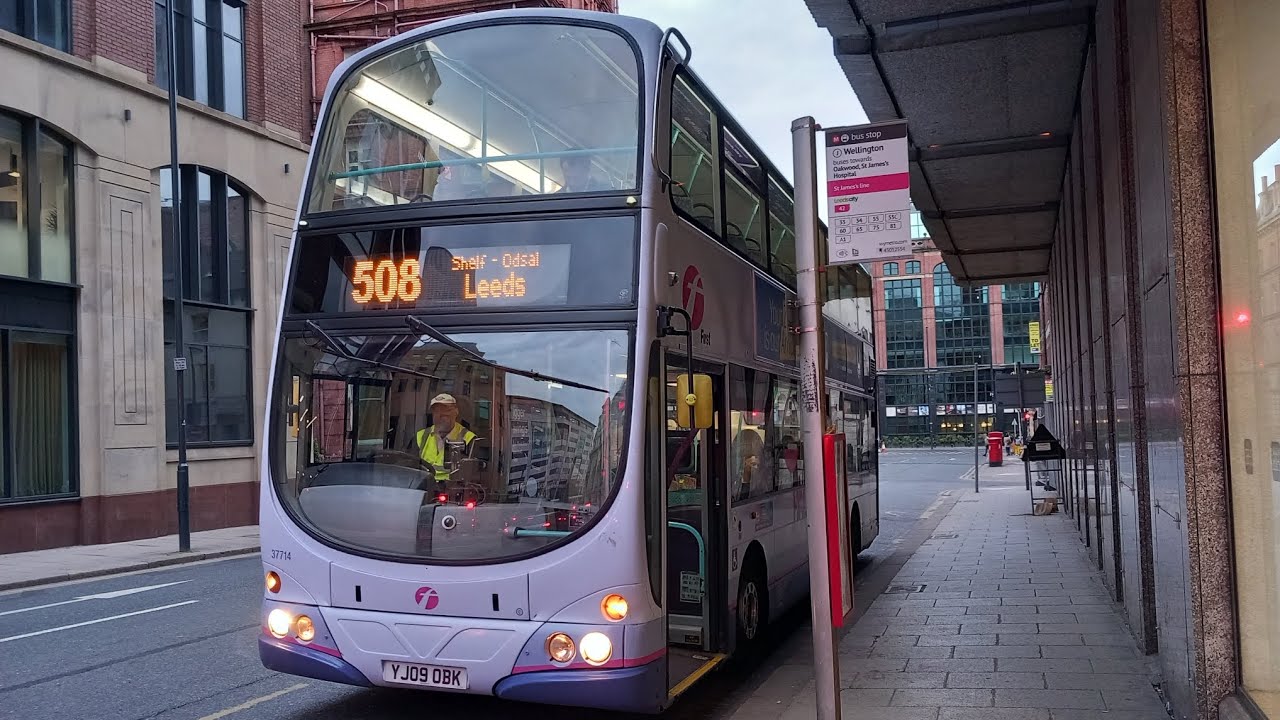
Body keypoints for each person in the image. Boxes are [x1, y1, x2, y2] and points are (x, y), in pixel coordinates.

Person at [415, 393, 476, 481]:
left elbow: (472, 475)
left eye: (446, 410)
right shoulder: (420, 436)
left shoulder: (469, 439)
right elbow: (409, 465)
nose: (441, 414)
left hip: (452, 487)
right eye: (437, 411)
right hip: (423, 485)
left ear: (456, 412)